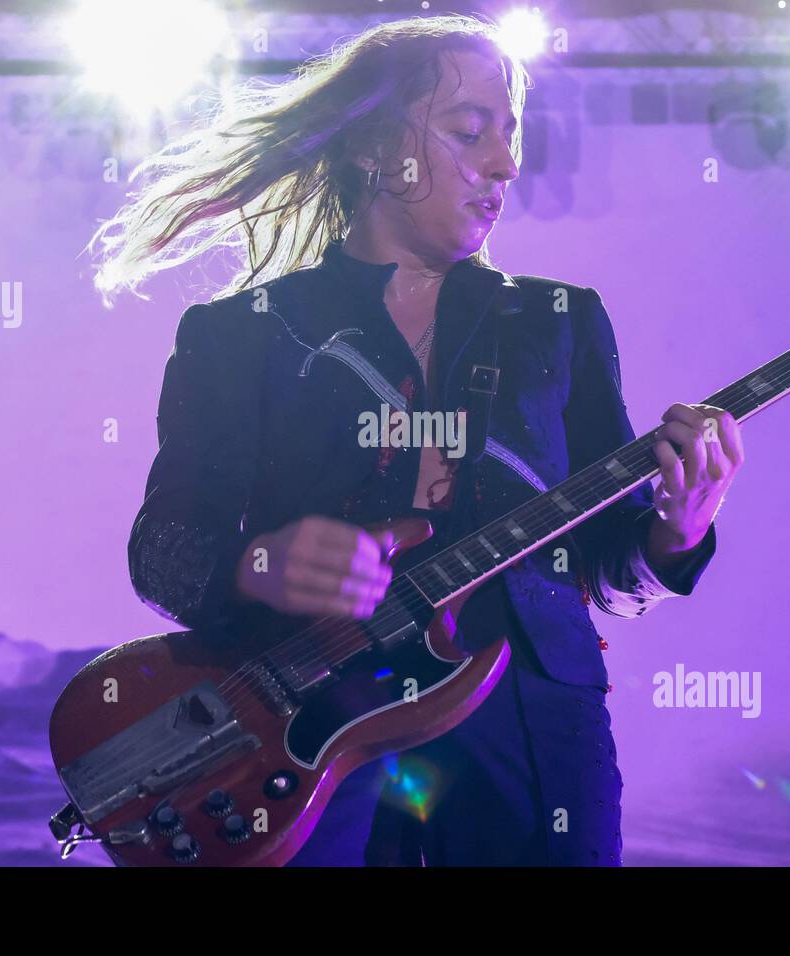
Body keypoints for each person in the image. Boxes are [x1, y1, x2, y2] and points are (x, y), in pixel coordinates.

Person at [93, 14, 743, 866]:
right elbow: (165, 550)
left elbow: (608, 571)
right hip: (314, 724)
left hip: (533, 717)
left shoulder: (559, 322)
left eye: (511, 135)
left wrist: (677, 528)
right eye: (470, 131)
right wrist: (262, 564)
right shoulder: (240, 334)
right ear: (371, 147)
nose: (506, 163)